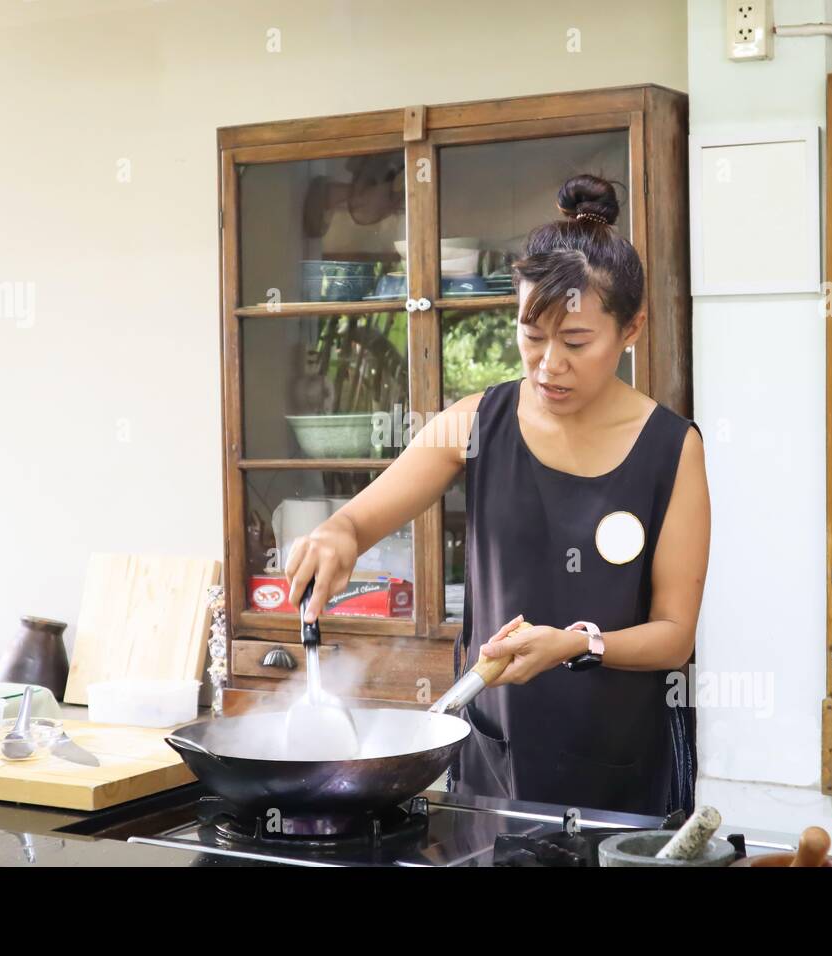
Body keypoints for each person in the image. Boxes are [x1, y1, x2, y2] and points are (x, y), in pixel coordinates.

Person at [284, 174, 711, 816]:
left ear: (631, 330)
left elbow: (674, 636)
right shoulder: (476, 423)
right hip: (494, 761)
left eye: (575, 343)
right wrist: (335, 534)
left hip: (624, 766)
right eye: (531, 336)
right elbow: (359, 519)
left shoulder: (672, 448)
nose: (547, 366)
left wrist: (577, 644)